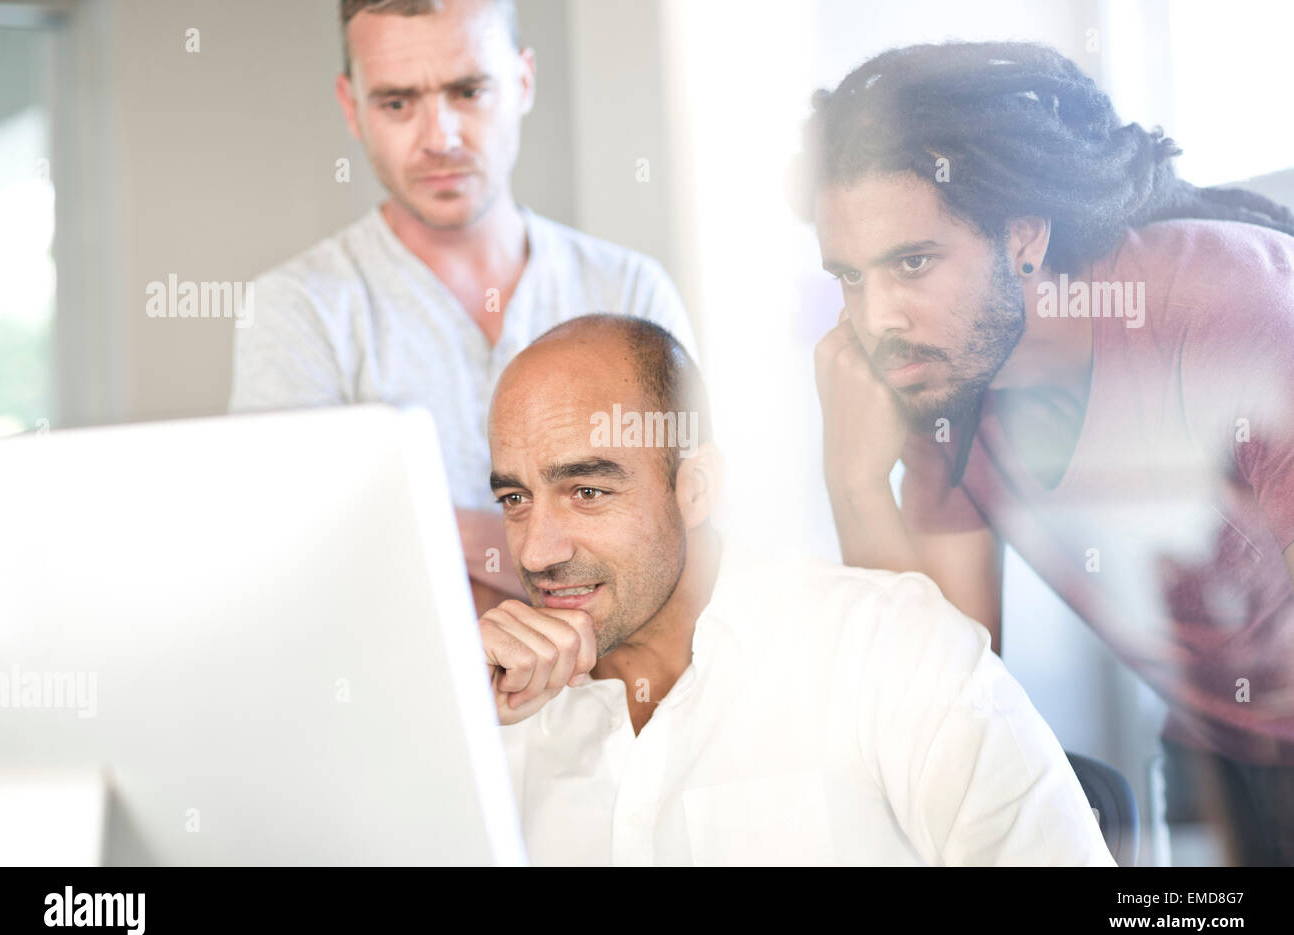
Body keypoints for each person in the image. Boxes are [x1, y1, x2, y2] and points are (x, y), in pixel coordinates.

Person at [801, 41, 1294, 864]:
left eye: (912, 263)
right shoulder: (947, 383)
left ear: (1024, 236)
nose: (876, 318)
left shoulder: (1230, 306)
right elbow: (947, 696)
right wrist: (854, 484)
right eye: (850, 276)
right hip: (1214, 737)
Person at [479, 313, 1113, 866]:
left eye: (587, 493)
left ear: (694, 489)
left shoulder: (890, 652)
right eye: (515, 498)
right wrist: (455, 719)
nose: (537, 552)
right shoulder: (493, 713)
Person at [228, 0, 697, 613]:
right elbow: (298, 565)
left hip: (634, 707)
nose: (439, 139)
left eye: (469, 90)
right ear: (351, 107)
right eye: (397, 103)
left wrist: (411, 526)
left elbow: (688, 538)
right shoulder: (297, 310)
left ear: (523, 81)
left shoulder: (630, 288)